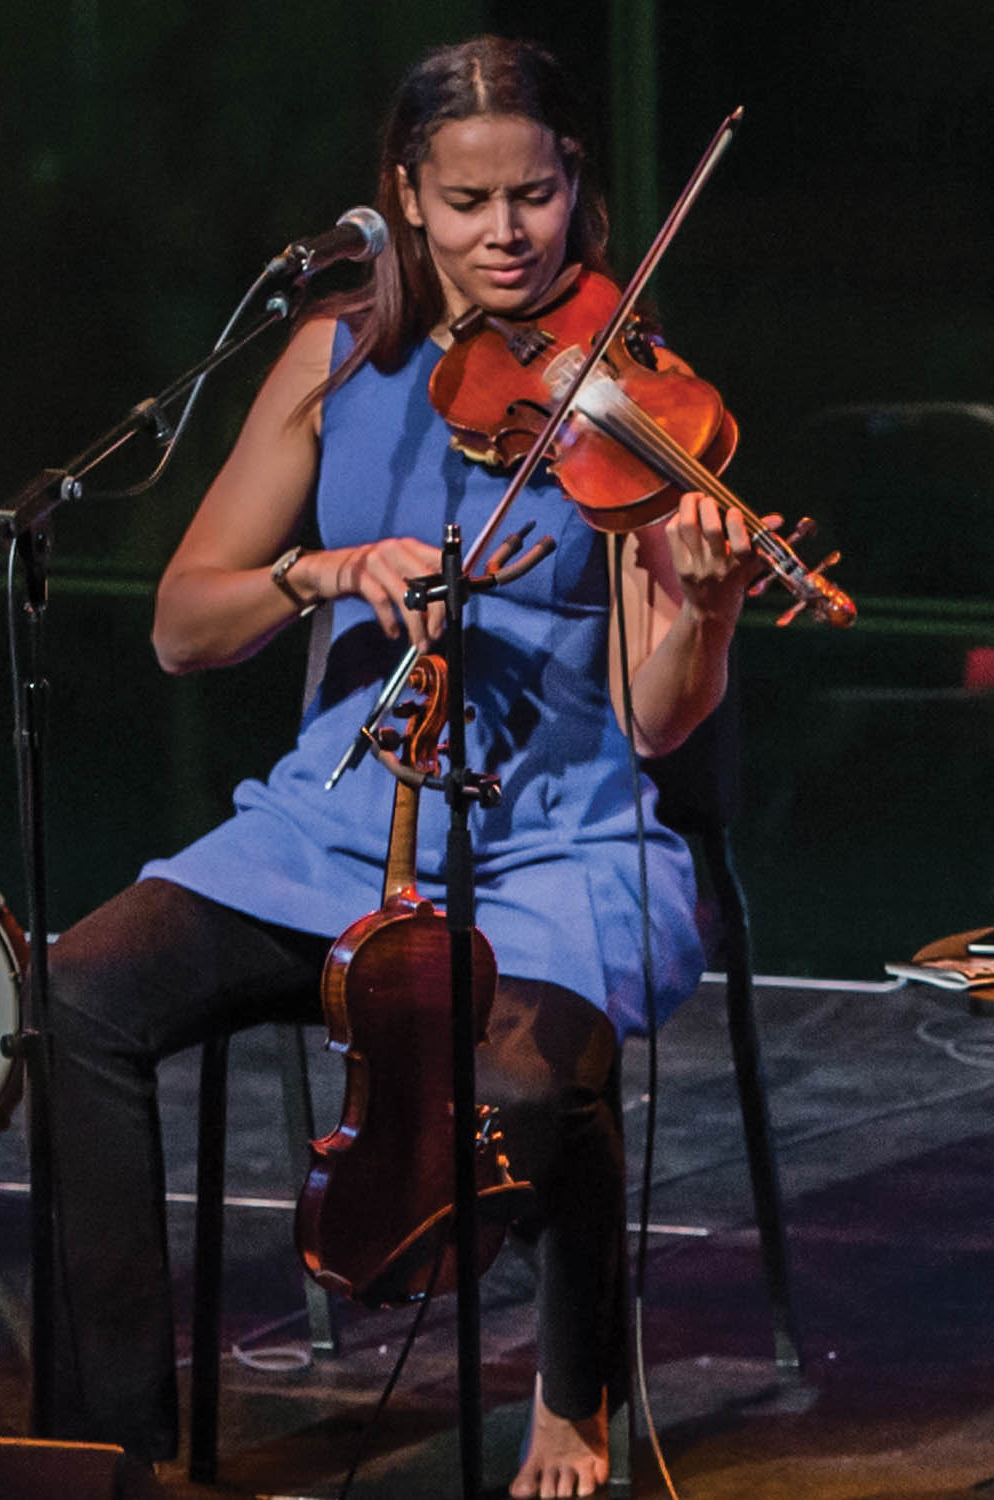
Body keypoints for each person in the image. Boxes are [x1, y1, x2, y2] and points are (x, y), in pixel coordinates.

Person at [42, 35, 768, 1499]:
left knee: (519, 1078)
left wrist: (708, 602)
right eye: (468, 199)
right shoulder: (334, 362)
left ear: (583, 194)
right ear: (406, 199)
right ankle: (114, 1436)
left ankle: (577, 1394)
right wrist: (322, 572)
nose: (506, 234)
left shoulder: (636, 399)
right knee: (76, 995)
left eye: (538, 195)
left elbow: (655, 722)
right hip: (343, 816)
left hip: (566, 831)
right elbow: (188, 625)